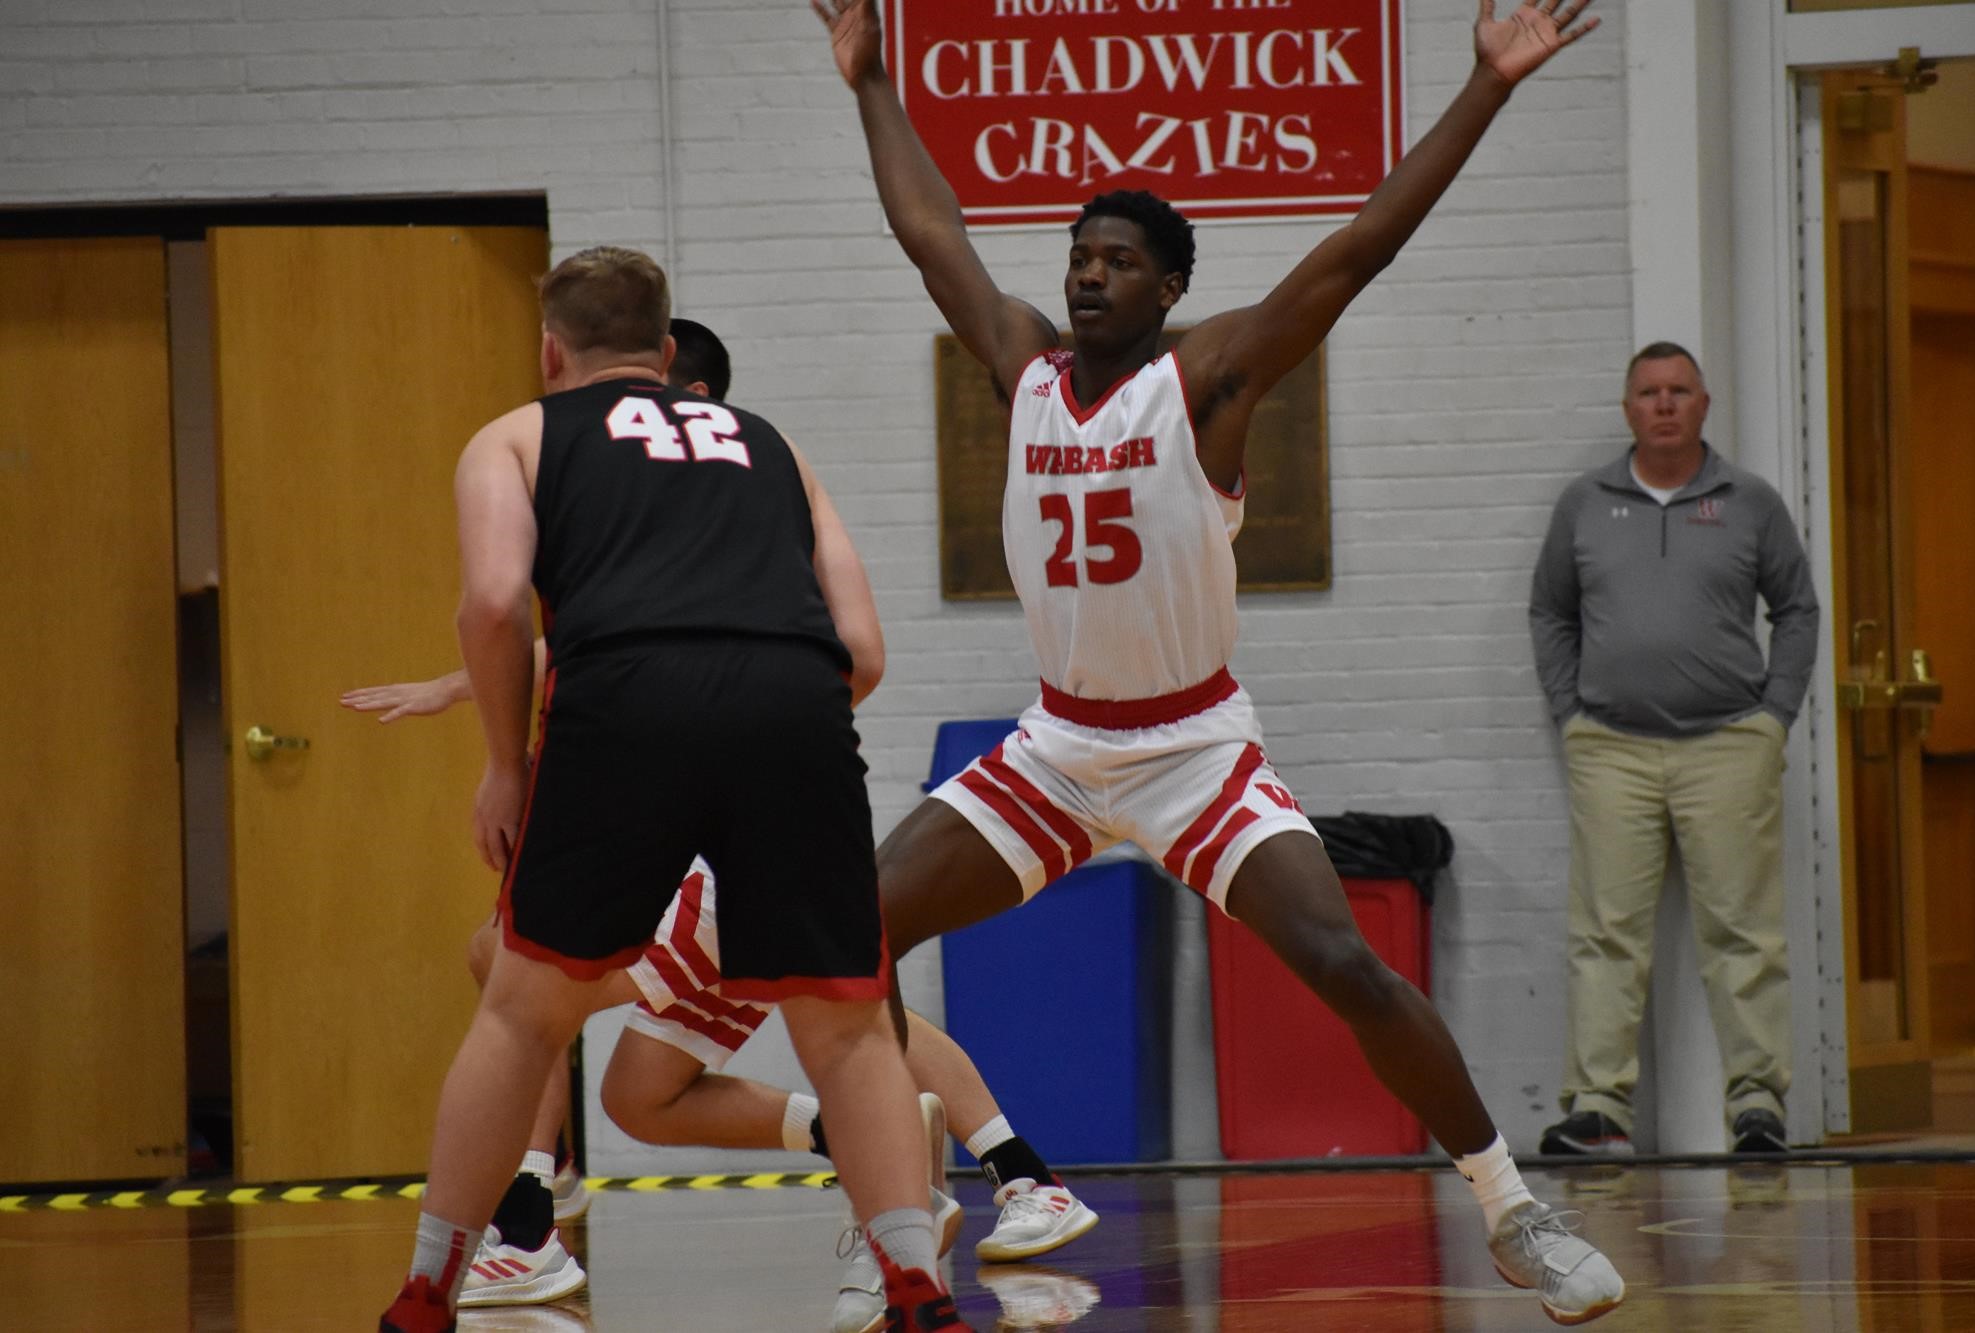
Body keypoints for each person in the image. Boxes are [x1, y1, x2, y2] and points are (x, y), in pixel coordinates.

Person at [813, 0, 1625, 1323]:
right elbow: (929, 236)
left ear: (1166, 288)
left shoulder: (1207, 378)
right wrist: (869, 82)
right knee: (848, 934)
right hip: (1058, 747)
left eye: (1117, 260)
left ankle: (1509, 1206)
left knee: (1348, 966)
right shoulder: (1021, 364)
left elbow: (1353, 253)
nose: (1086, 275)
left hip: (1192, 746)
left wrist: (1485, 84)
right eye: (1078, 255)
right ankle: (896, 1215)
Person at [355, 317, 1092, 1329]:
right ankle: (944, 1160)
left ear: (676, 389)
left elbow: (536, 621)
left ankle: (522, 1222)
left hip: (693, 821)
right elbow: (838, 651)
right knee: (660, 1086)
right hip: (764, 765)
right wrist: (461, 686)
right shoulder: (743, 473)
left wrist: (499, 732)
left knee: (516, 976)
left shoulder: (637, 462)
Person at [1529, 342, 1818, 1158]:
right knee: (1605, 932)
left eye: (1677, 391)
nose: (1662, 404)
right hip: (1610, 748)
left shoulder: (1750, 504)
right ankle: (1597, 1109)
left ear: (1703, 403)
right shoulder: (1583, 504)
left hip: (1728, 744)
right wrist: (1569, 714)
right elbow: (1549, 613)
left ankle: (1757, 1104)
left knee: (1743, 931)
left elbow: (1796, 609)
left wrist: (1772, 718)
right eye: (1647, 392)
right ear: (1627, 409)